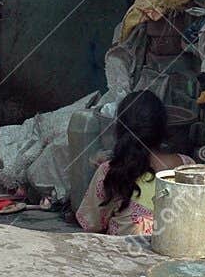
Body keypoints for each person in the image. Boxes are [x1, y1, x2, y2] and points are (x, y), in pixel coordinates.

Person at [75, 91, 195, 236]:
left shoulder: (110, 170)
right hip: (175, 253)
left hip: (123, 255)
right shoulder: (187, 166)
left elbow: (92, 224)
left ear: (120, 128)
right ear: (162, 128)